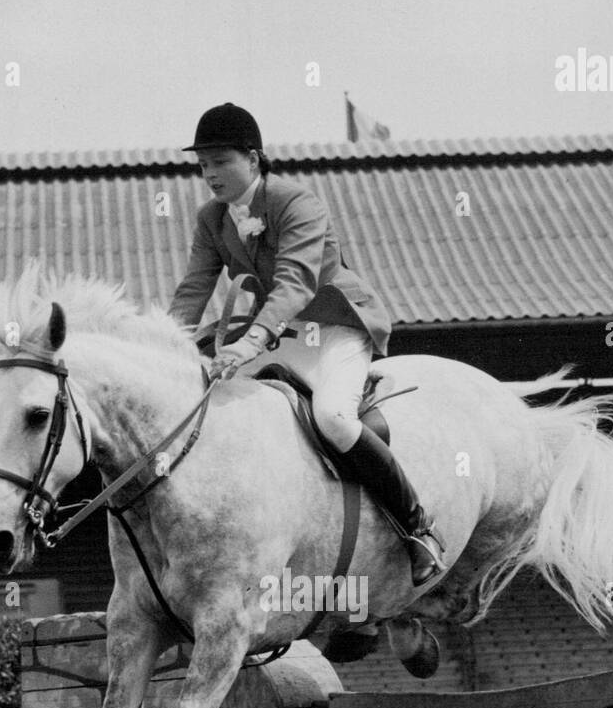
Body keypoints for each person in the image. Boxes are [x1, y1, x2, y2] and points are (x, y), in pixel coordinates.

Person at [168, 102, 445, 586]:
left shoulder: (298, 204)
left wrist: (249, 341)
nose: (210, 174)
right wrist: (166, 345)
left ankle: (417, 527)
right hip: (280, 338)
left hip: (333, 330)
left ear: (253, 160)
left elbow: (295, 284)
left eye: (220, 161)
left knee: (334, 420)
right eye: (204, 164)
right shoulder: (212, 219)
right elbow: (194, 288)